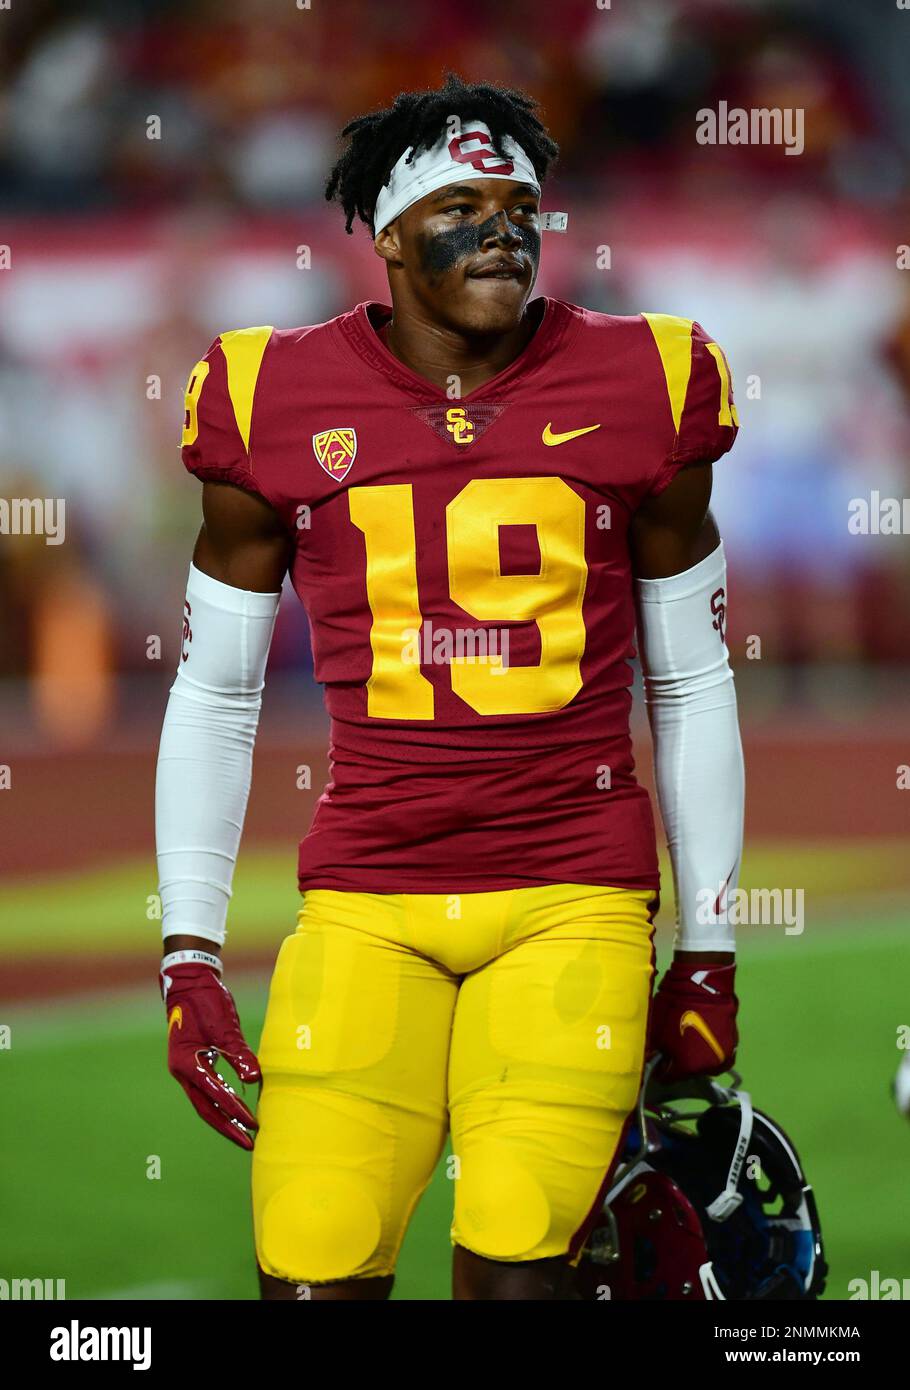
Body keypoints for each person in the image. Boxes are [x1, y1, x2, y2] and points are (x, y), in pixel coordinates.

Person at [156, 74, 744, 1301]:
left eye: (520, 204)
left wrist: (707, 950)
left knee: (520, 1257)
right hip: (366, 894)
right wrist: (188, 951)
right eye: (460, 206)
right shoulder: (269, 393)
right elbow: (215, 694)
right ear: (383, 236)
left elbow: (690, 678)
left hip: (572, 890)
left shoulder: (649, 376)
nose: (502, 230)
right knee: (309, 1258)